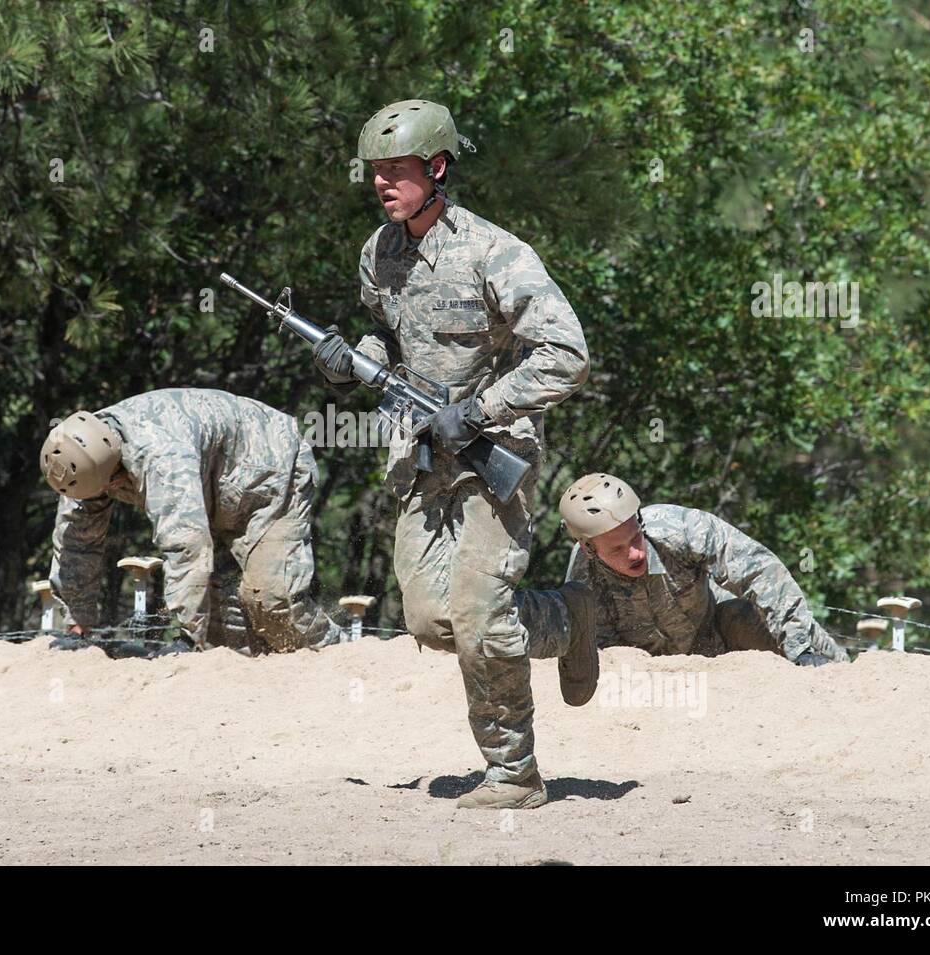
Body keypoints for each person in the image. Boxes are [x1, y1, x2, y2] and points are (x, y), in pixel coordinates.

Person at [312, 99, 591, 809]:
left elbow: (567, 356)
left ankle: (514, 774)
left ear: (437, 169)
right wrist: (352, 359)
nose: (382, 184)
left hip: (495, 458)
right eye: (375, 172)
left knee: (480, 617)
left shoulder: (496, 252)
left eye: (397, 170)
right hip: (421, 459)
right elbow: (389, 340)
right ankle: (568, 617)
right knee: (432, 622)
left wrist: (483, 408)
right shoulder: (379, 254)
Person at [40, 388, 340, 653]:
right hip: (211, 484)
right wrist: (77, 622)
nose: (110, 493)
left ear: (116, 469)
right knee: (224, 622)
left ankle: (338, 655)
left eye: (112, 485)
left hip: (271, 471)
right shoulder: (76, 458)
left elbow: (185, 543)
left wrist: (187, 636)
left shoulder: (162, 457)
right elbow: (76, 540)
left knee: (271, 601)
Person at [559, 473, 848, 664]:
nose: (635, 552)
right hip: (660, 677)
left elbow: (760, 571)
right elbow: (601, 653)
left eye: (636, 537)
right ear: (589, 549)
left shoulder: (679, 528)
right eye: (617, 549)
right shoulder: (583, 580)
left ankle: (842, 670)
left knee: (765, 624)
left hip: (716, 628)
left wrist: (802, 649)